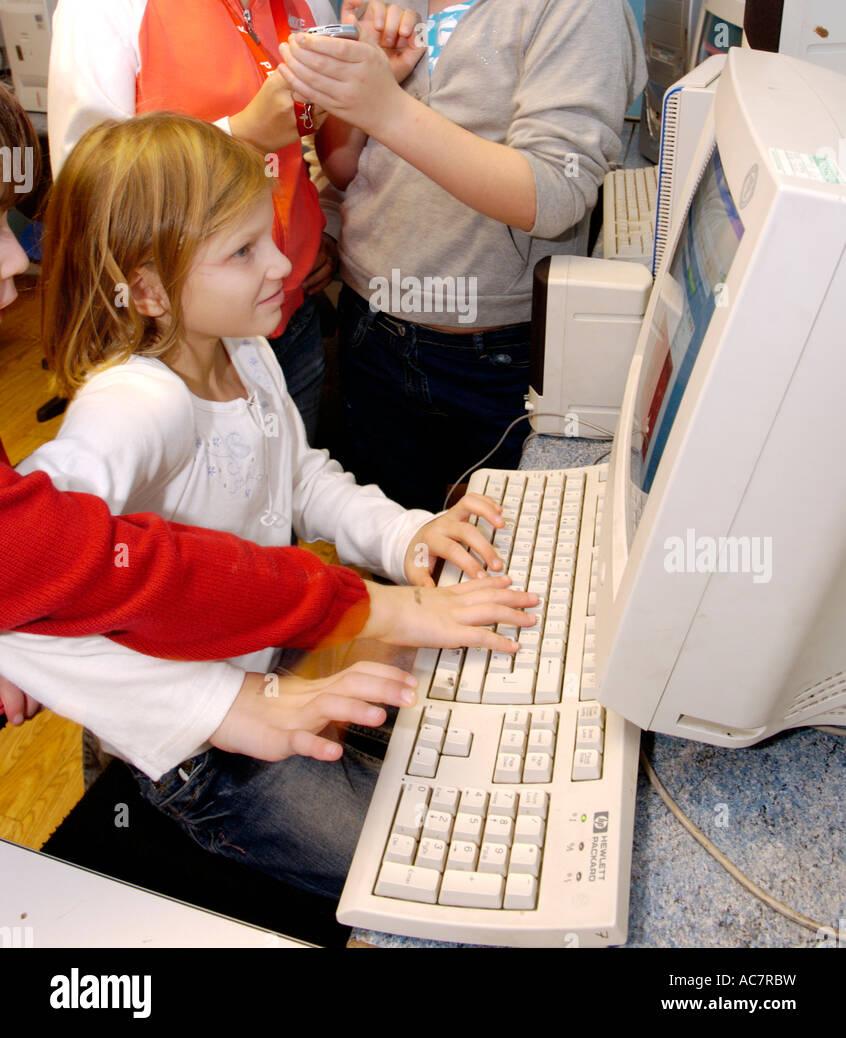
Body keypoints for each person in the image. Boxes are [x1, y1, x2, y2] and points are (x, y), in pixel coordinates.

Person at [0, 112, 536, 895]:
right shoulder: (135, 406)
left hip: (263, 662)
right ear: (147, 287)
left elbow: (300, 476)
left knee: (460, 757)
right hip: (187, 744)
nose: (283, 262)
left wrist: (405, 538)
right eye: (244, 250)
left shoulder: (244, 351)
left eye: (271, 235)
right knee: (430, 870)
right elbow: (25, 585)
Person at [279, 0, 647, 510]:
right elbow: (347, 169)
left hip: (492, 361)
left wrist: (390, 106)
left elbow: (552, 195)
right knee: (396, 559)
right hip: (373, 333)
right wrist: (359, 96)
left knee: (493, 578)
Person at [48, 0, 343, 441]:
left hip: (289, 331)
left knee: (278, 529)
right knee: (188, 552)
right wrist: (243, 134)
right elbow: (88, 191)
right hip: (168, 352)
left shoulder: (309, 2)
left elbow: (327, 172)